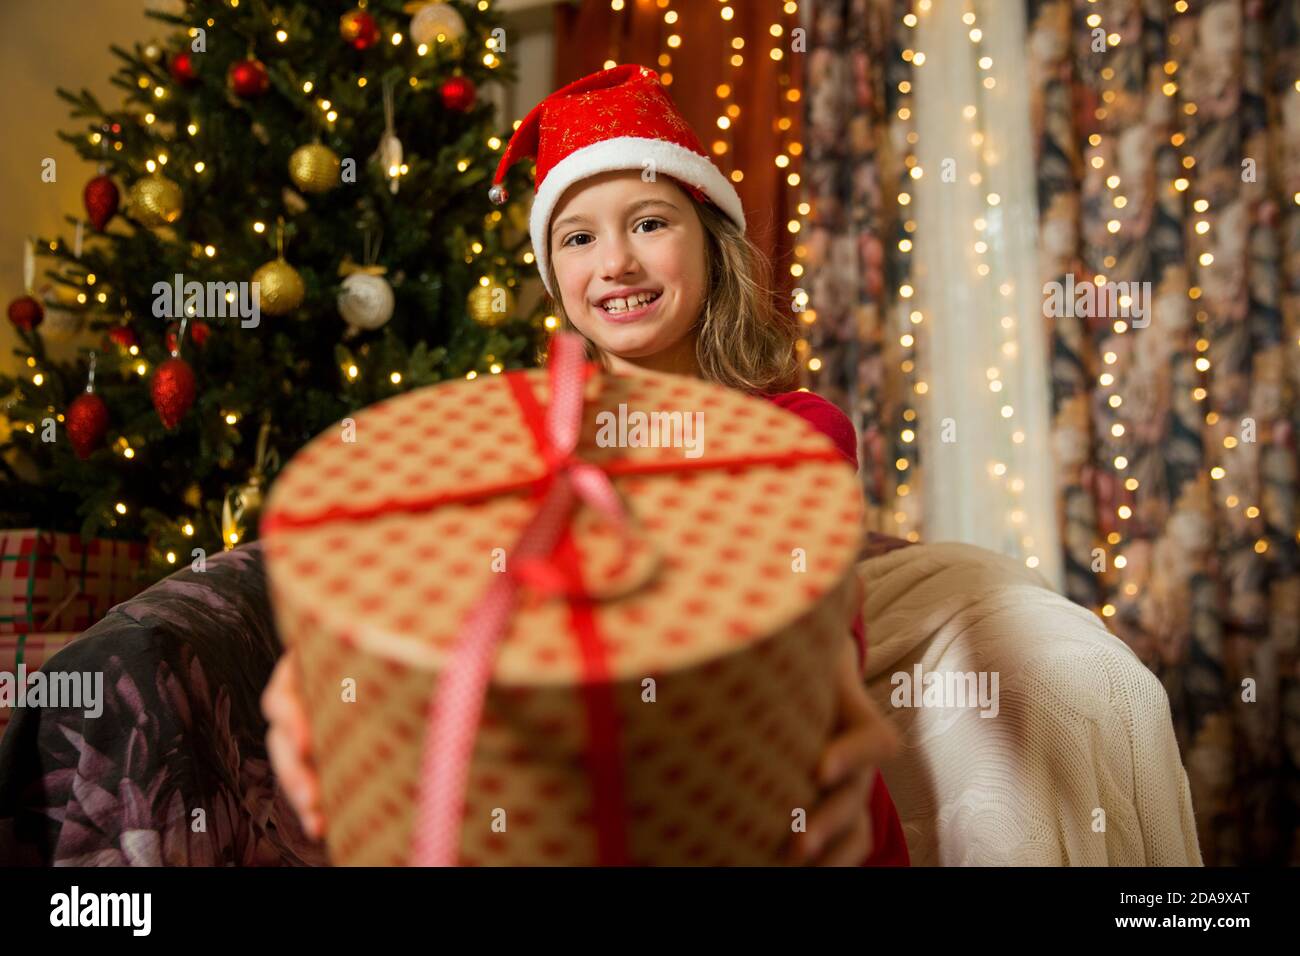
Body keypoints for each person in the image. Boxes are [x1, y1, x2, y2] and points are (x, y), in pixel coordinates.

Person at [263, 63, 909, 866]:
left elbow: (809, 636)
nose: (617, 264)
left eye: (649, 223)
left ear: (712, 248)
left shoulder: (801, 431)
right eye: (578, 237)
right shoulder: (518, 454)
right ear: (556, 279)